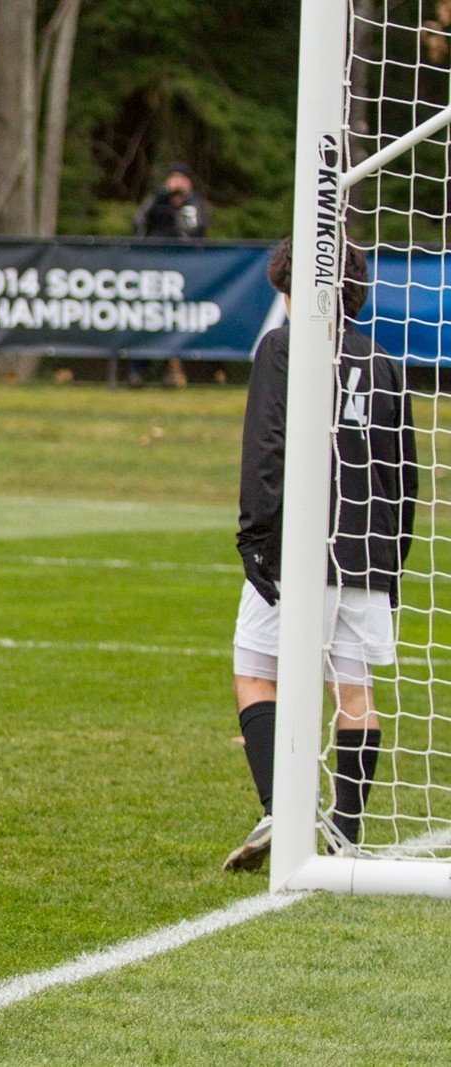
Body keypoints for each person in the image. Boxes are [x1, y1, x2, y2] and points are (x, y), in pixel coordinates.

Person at [224, 236, 416, 872]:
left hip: (299, 550)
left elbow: (267, 445)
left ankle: (283, 807)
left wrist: (255, 536)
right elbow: (404, 472)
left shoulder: (284, 347)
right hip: (367, 551)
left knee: (254, 669)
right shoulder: (385, 362)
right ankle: (347, 829)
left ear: (288, 285)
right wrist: (394, 560)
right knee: (354, 691)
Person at [131, 162, 211, 388]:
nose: (176, 183)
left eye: (180, 178)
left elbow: (197, 232)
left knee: (176, 319)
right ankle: (138, 370)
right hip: (153, 268)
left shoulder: (194, 204)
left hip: (182, 269)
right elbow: (139, 225)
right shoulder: (156, 200)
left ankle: (173, 373)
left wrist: (180, 209)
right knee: (147, 317)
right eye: (172, 178)